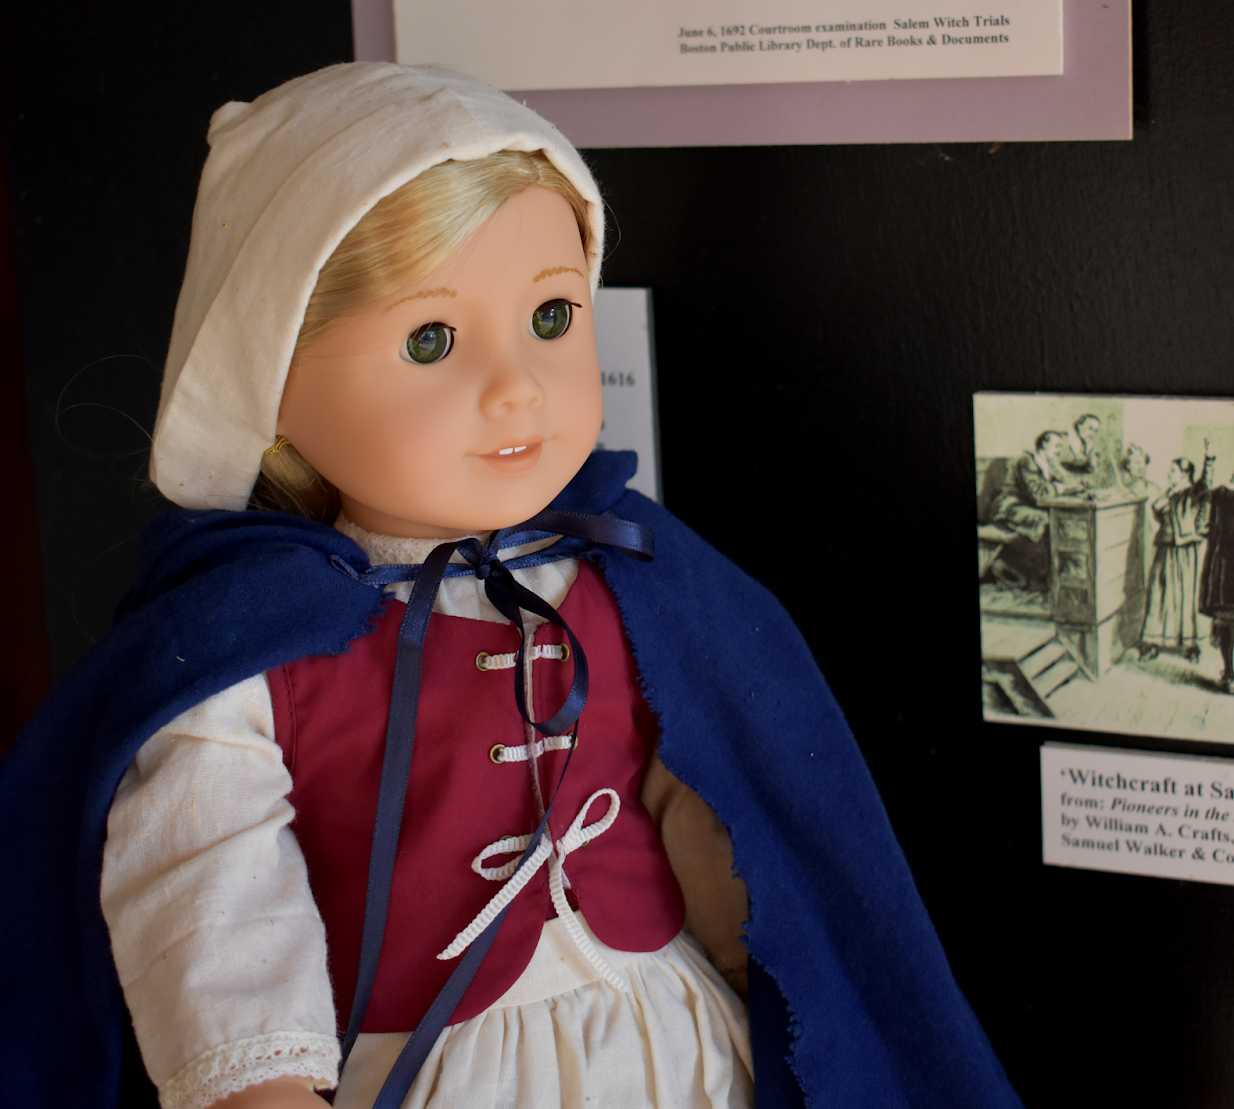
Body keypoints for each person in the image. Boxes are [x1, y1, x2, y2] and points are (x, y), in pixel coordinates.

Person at [0, 63, 1022, 1109]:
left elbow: (732, 798)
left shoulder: (632, 570)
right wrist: (257, 1084)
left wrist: (764, 957)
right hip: (430, 1070)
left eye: (549, 317)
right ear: (270, 380)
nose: (516, 387)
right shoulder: (240, 650)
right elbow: (209, 884)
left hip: (674, 1044)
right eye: (430, 340)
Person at [1138, 441, 1218, 664]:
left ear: (1184, 474)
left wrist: (1209, 459)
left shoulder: (1195, 492)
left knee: (1187, 596)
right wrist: (1167, 495)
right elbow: (1158, 511)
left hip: (1187, 551)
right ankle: (1153, 642)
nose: (1168, 473)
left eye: (1173, 471)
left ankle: (1191, 645)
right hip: (1166, 550)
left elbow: (1206, 480)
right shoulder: (1170, 493)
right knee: (1159, 594)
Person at [987, 430, 1077, 591]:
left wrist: (1071, 485)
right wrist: (1061, 487)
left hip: (1027, 507)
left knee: (1057, 520)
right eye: (1057, 446)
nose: (1059, 450)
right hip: (1010, 507)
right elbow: (1038, 493)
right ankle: (1014, 568)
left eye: (1061, 447)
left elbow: (1066, 483)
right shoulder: (1027, 462)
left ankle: (1045, 575)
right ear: (1044, 444)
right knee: (1044, 520)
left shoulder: (1048, 463)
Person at [1199, 469, 1234, 693]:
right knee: (1226, 621)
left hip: (1224, 564)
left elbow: (1206, 527)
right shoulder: (1220, 495)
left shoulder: (1219, 494)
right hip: (1226, 566)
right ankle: (1230, 674)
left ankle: (1230, 674)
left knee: (1226, 622)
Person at [1059, 413, 1109, 490]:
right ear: (1079, 426)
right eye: (1090, 428)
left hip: (1076, 488)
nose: (1092, 433)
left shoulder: (1088, 445)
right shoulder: (1063, 441)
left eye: (1095, 431)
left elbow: (1091, 471)